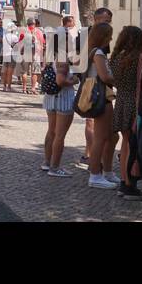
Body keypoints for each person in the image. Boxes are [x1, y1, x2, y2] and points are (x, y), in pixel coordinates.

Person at [110, 25, 142, 199]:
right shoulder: (140, 58)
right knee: (134, 144)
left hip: (121, 101)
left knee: (125, 143)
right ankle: (129, 184)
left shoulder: (116, 57)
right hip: (135, 101)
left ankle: (124, 181)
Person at [84, 22, 119, 189]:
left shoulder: (94, 51)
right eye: (109, 35)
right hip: (101, 96)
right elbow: (104, 76)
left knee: (111, 136)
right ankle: (95, 174)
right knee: (100, 138)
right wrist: (118, 79)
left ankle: (106, 171)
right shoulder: (98, 53)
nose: (111, 38)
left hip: (103, 95)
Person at [41, 25, 79, 177]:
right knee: (60, 135)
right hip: (63, 98)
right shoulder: (62, 56)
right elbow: (60, 80)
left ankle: (47, 162)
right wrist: (74, 80)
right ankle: (55, 167)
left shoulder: (51, 54)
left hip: (50, 98)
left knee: (51, 131)